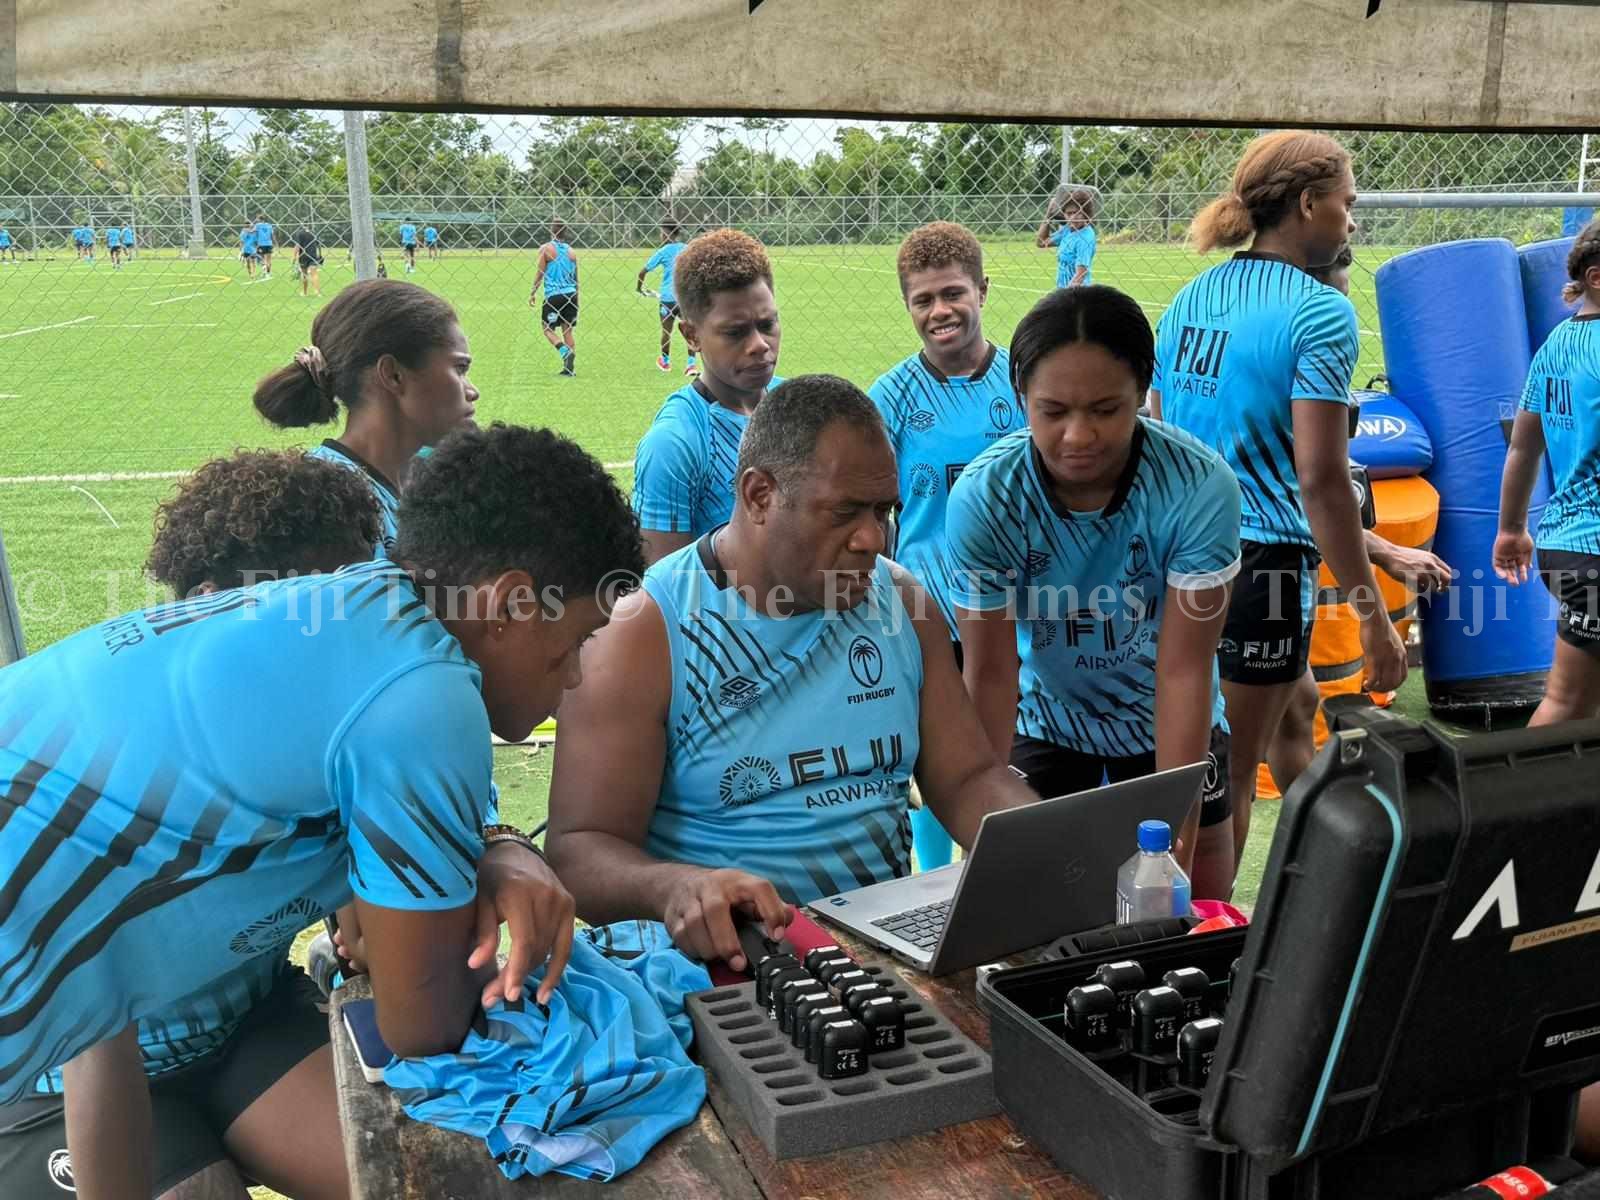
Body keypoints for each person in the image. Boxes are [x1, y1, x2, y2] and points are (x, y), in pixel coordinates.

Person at [0, 423, 643, 1198]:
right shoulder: (424, 695)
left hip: (105, 1015)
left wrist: (486, 853)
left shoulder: (360, 616)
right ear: (508, 603)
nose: (573, 677)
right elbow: (418, 1023)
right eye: (574, 640)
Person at [545, 375, 1039, 968]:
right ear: (758, 495)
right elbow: (578, 851)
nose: (872, 538)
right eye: (844, 512)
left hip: (886, 961)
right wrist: (674, 887)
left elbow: (966, 779)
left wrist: (1053, 842)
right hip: (725, 973)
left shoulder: (904, 605)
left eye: (883, 510)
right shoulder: (646, 630)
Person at [0, 450, 382, 1200]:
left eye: (366, 596)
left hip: (244, 1028)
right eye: (330, 607)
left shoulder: (336, 714)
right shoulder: (109, 767)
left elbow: (373, 901)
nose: (366, 633)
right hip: (62, 1081)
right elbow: (93, 1044)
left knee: (408, 1176)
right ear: (212, 603)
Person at [1149, 130, 1405, 897]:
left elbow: (1161, 428)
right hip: (1262, 567)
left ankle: (1330, 882)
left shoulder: (1193, 295)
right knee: (1225, 772)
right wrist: (1372, 615)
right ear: (1307, 204)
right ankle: (1205, 941)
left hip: (1178, 555)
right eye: (1347, 204)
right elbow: (1323, 479)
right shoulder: (1320, 313)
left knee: (1295, 714)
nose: (1351, 221)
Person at [949, 286, 1239, 887]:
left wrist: (1176, 827)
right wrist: (982, 803)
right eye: (1053, 412)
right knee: (1025, 888)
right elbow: (993, 673)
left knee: (1199, 885)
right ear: (1020, 396)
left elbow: (1183, 670)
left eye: (1106, 410)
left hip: (1167, 712)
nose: (1078, 437)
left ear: (1142, 393)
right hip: (1047, 718)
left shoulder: (1199, 486)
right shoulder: (987, 497)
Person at [1264, 245, 1451, 796]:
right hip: (1231, 570)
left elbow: (1301, 496)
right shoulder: (1286, 367)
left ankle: (1310, 858)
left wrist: (1388, 551)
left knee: (1296, 708)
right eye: (1337, 297)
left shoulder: (1273, 364)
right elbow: (1312, 492)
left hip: (1246, 562)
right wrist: (1373, 618)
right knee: (1232, 751)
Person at [868, 221, 1019, 870]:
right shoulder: (890, 398)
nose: (940, 311)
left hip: (1025, 608)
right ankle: (933, 889)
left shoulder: (1023, 380)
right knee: (933, 764)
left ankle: (999, 879)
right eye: (922, 300)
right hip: (930, 617)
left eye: (952, 293)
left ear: (982, 291)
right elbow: (871, 518)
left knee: (1009, 758)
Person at [254, 279, 479, 559]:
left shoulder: (435, 480)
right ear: (393, 375)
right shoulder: (322, 512)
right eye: (459, 369)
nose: (473, 391)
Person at [1495, 217, 1600, 725]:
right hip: (1593, 551)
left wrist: (1511, 530)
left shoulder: (1557, 344)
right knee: (1567, 702)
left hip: (1562, 544)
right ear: (1597, 277)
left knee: (1583, 705)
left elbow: (1522, 446)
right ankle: (1503, 803)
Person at [631, 228, 783, 565]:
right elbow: (664, 590)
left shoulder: (796, 406)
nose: (759, 345)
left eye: (767, 324)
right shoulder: (673, 444)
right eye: (735, 331)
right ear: (691, 335)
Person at [638, 221, 697, 376]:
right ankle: (691, 365)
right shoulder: (687, 249)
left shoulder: (663, 251)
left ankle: (665, 361)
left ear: (666, 233)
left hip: (667, 299)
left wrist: (639, 288)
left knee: (666, 331)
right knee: (690, 330)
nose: (660, 235)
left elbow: (642, 272)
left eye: (661, 232)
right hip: (684, 297)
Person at [529, 219, 580, 377]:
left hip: (554, 296)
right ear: (566, 232)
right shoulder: (572, 251)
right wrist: (576, 296)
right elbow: (576, 279)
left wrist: (533, 292)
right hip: (571, 295)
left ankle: (564, 351)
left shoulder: (546, 249)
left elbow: (540, 273)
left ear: (551, 231)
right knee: (568, 331)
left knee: (547, 329)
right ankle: (569, 369)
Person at [1036, 186, 1099, 289]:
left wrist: (1064, 298)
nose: (1073, 218)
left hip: (1076, 294)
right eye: (1069, 213)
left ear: (1085, 213)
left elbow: (1080, 276)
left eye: (1077, 213)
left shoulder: (1086, 237)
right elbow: (1041, 242)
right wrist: (1049, 215)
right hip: (1064, 291)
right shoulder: (1067, 230)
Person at [291, 226, 324, 298]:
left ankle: (305, 292)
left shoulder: (299, 233)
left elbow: (297, 245)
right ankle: (318, 293)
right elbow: (318, 245)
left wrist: (294, 256)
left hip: (303, 256)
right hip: (313, 255)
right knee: (314, 274)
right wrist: (320, 255)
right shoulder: (313, 233)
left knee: (304, 274)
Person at [254, 213, 275, 278]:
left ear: (259, 219)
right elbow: (272, 235)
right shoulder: (269, 225)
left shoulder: (258, 225)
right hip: (269, 244)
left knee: (262, 259)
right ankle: (268, 273)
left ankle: (264, 271)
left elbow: (253, 231)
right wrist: (275, 243)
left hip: (261, 244)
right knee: (269, 259)